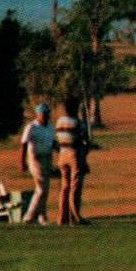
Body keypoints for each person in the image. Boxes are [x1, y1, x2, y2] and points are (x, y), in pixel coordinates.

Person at [54, 97, 91, 226]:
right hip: (74, 154)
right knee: (75, 187)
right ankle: (75, 217)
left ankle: (62, 218)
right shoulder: (77, 122)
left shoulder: (59, 122)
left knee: (64, 187)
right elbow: (84, 139)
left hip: (62, 155)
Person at [19, 103, 56, 223]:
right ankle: (29, 216)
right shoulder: (31, 127)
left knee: (45, 189)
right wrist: (22, 161)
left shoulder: (50, 127)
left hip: (48, 158)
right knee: (41, 189)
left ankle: (42, 216)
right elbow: (24, 144)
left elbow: (52, 142)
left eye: (47, 114)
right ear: (38, 114)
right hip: (35, 159)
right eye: (43, 114)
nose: (45, 116)